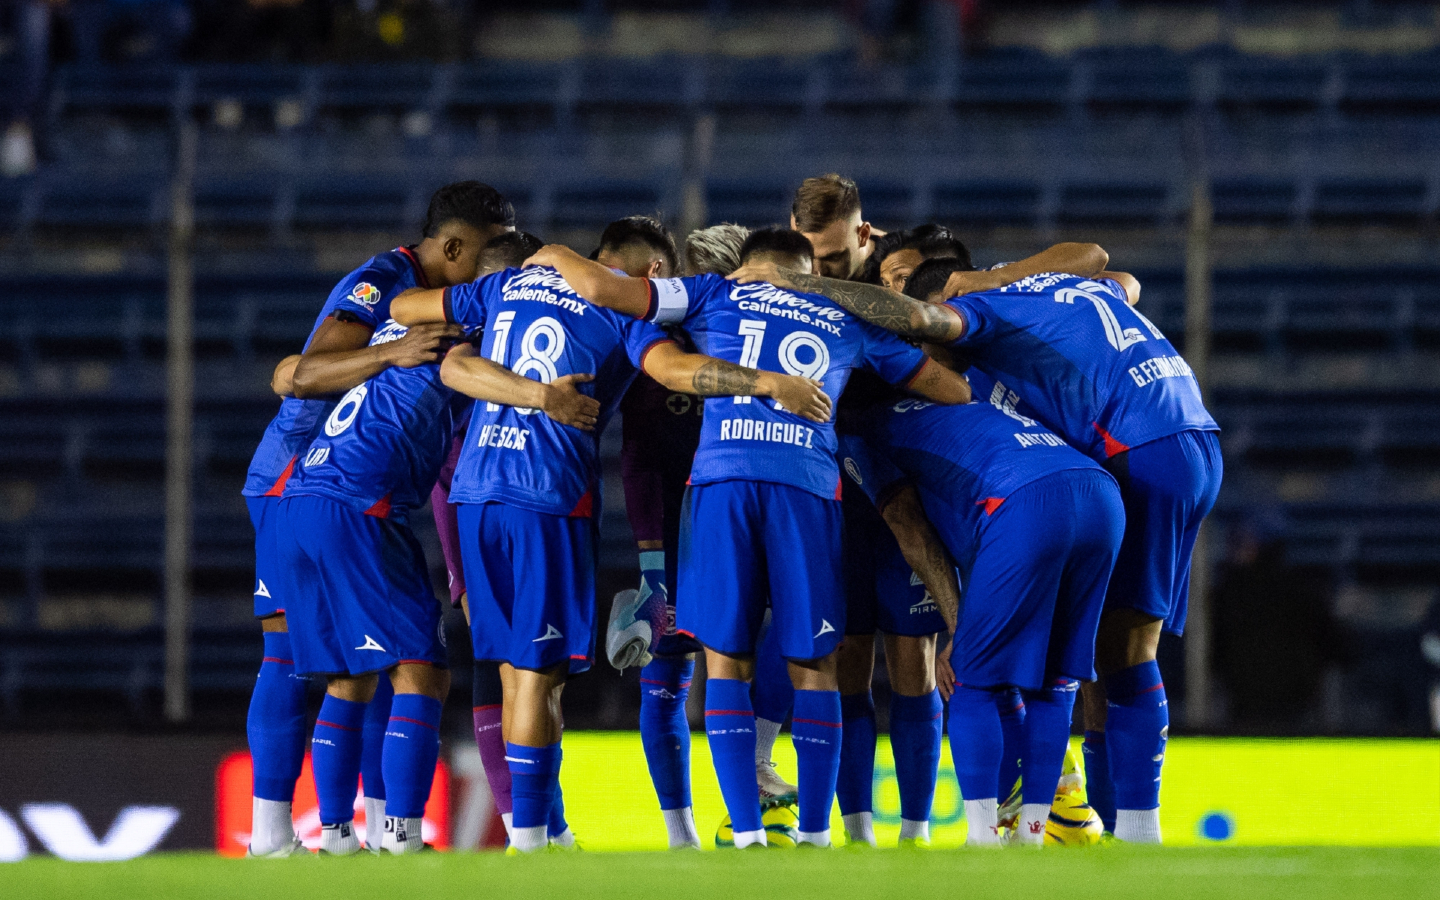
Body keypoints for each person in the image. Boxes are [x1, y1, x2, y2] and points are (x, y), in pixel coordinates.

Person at [751, 253, 1221, 843]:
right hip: (1180, 440)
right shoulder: (1059, 291)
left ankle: (1015, 834)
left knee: (1022, 670)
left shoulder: (969, 331)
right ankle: (1084, 824)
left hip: (1119, 455)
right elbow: (1117, 272)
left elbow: (910, 519)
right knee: (1077, 670)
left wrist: (796, 282)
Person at [527, 226, 972, 849]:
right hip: (808, 490)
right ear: (801, 266)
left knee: (724, 662)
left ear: (748, 265)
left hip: (722, 485)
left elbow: (610, 294)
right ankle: (817, 834)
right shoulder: (841, 315)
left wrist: (554, 253)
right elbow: (950, 386)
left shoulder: (712, 293)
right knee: (814, 665)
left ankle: (746, 834)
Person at [389, 236, 831, 854]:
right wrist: (767, 382)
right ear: (652, 273)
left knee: (514, 673)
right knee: (538, 676)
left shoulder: (506, 287)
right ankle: (531, 842)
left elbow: (436, 344)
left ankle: (545, 835)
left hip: (474, 492)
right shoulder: (626, 313)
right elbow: (672, 372)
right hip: (547, 496)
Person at [241, 181, 511, 857]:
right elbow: (297, 375)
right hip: (296, 470)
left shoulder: (439, 315)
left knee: (351, 667)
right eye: (483, 252)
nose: (488, 267)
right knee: (293, 656)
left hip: (327, 478)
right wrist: (390, 352)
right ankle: (280, 833)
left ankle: (336, 833)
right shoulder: (384, 279)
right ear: (451, 246)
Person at [837, 374, 1124, 846]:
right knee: (1057, 682)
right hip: (1099, 493)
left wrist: (960, 632)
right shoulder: (967, 396)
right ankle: (1033, 832)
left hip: (1024, 502)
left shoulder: (864, 431)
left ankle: (983, 837)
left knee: (970, 677)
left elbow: (912, 530)